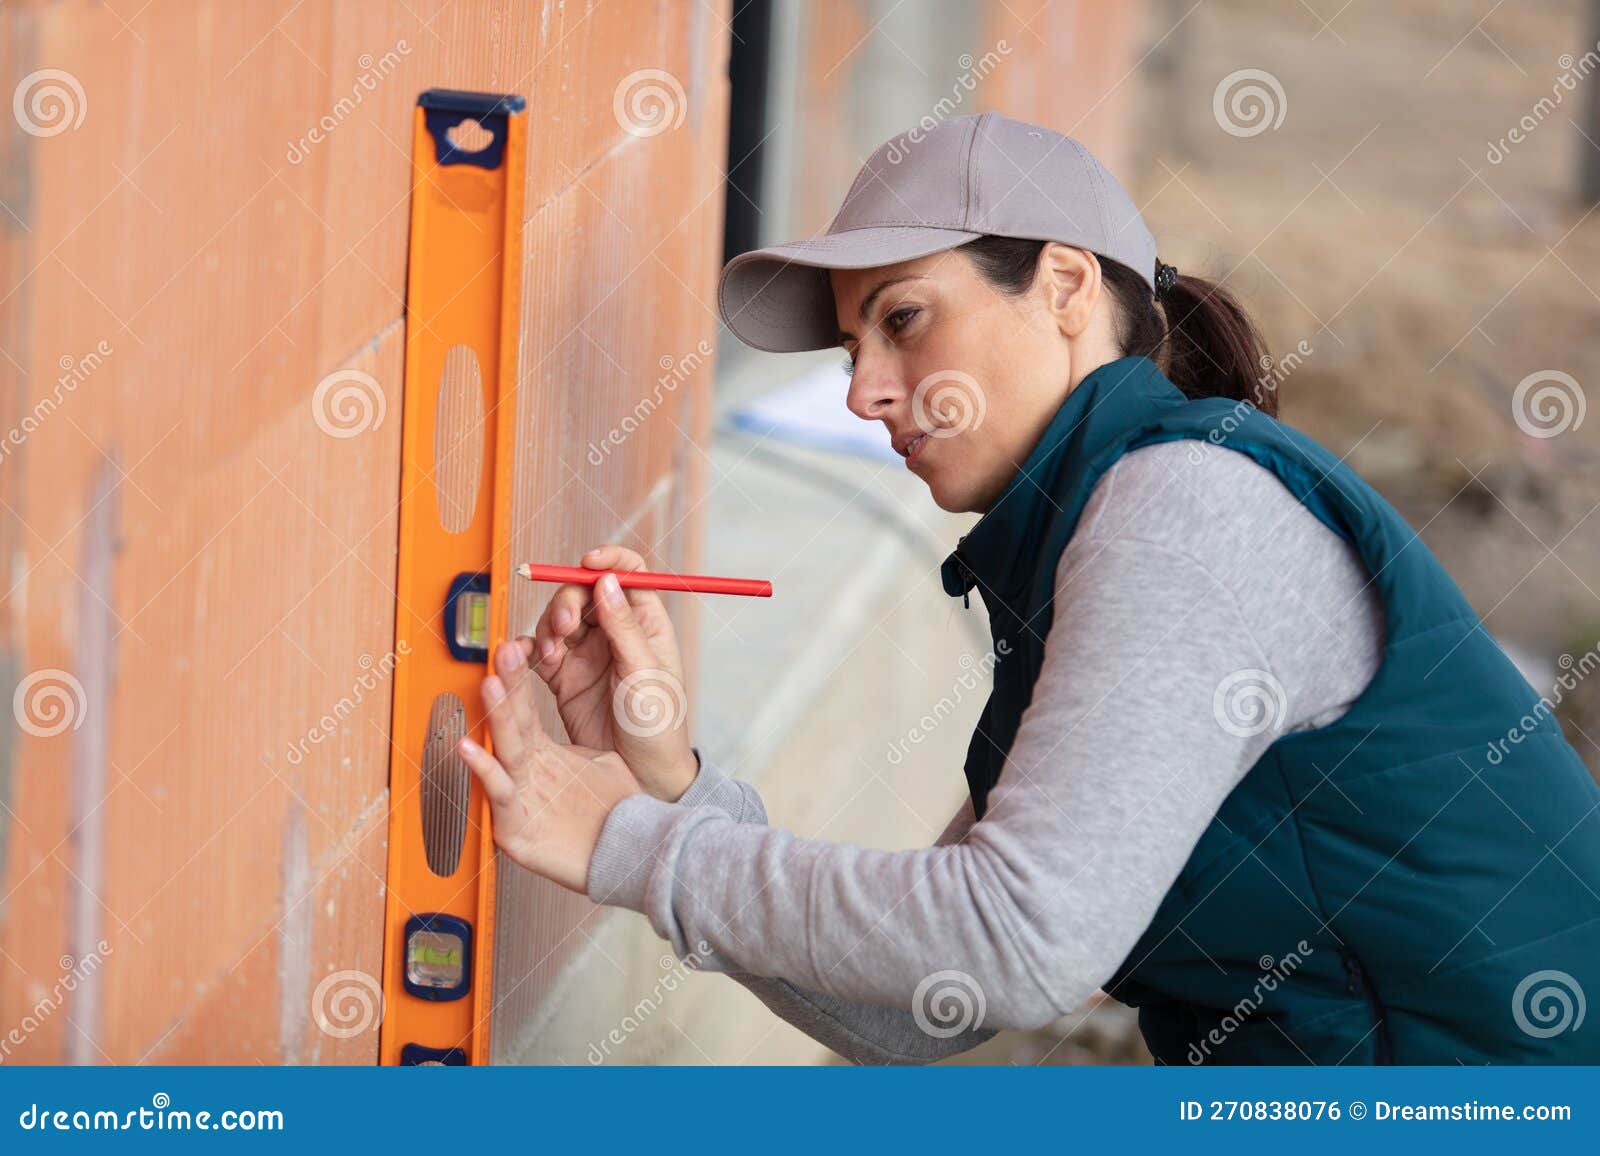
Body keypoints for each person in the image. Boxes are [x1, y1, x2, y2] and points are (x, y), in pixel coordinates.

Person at [457, 112, 1600, 1064]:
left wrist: (621, 840)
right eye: (851, 350)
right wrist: (668, 787)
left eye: (902, 320)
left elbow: (1016, 937)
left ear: (1063, 285)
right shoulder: (1086, 538)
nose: (863, 394)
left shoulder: (1184, 515)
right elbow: (920, 1008)